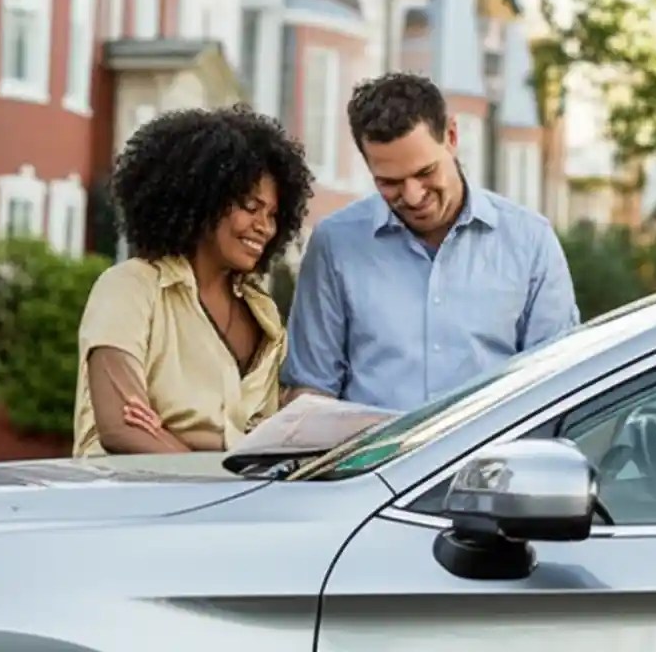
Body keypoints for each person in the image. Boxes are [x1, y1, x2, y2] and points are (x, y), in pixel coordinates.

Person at [280, 72, 580, 411]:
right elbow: (312, 390)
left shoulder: (530, 242)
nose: (412, 195)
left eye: (425, 173)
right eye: (389, 182)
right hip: (373, 463)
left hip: (495, 461)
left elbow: (555, 387)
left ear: (451, 136)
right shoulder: (335, 245)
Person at [71, 105, 314, 457]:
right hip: (131, 502)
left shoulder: (263, 314)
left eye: (273, 214)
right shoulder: (131, 287)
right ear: (203, 199)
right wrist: (218, 478)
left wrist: (166, 437)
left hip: (232, 508)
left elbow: (263, 442)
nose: (265, 226)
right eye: (250, 206)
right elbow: (121, 427)